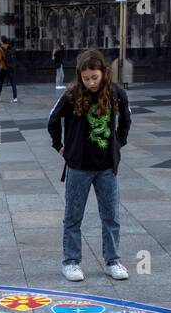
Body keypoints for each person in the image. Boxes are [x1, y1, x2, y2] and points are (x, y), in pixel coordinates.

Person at [48, 48, 132, 283]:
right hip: (79, 167)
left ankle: (112, 260)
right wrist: (60, 146)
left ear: (104, 73)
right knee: (73, 217)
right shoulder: (72, 94)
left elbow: (126, 119)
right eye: (86, 78)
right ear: (80, 76)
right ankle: (71, 261)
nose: (91, 82)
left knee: (111, 216)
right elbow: (52, 120)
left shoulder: (116, 93)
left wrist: (118, 144)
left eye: (95, 77)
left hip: (106, 167)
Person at [0, 36, 18, 102]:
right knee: (13, 83)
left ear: (2, 41)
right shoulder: (10, 47)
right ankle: (15, 98)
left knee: (0, 82)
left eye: (0, 40)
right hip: (10, 67)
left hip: (3, 68)